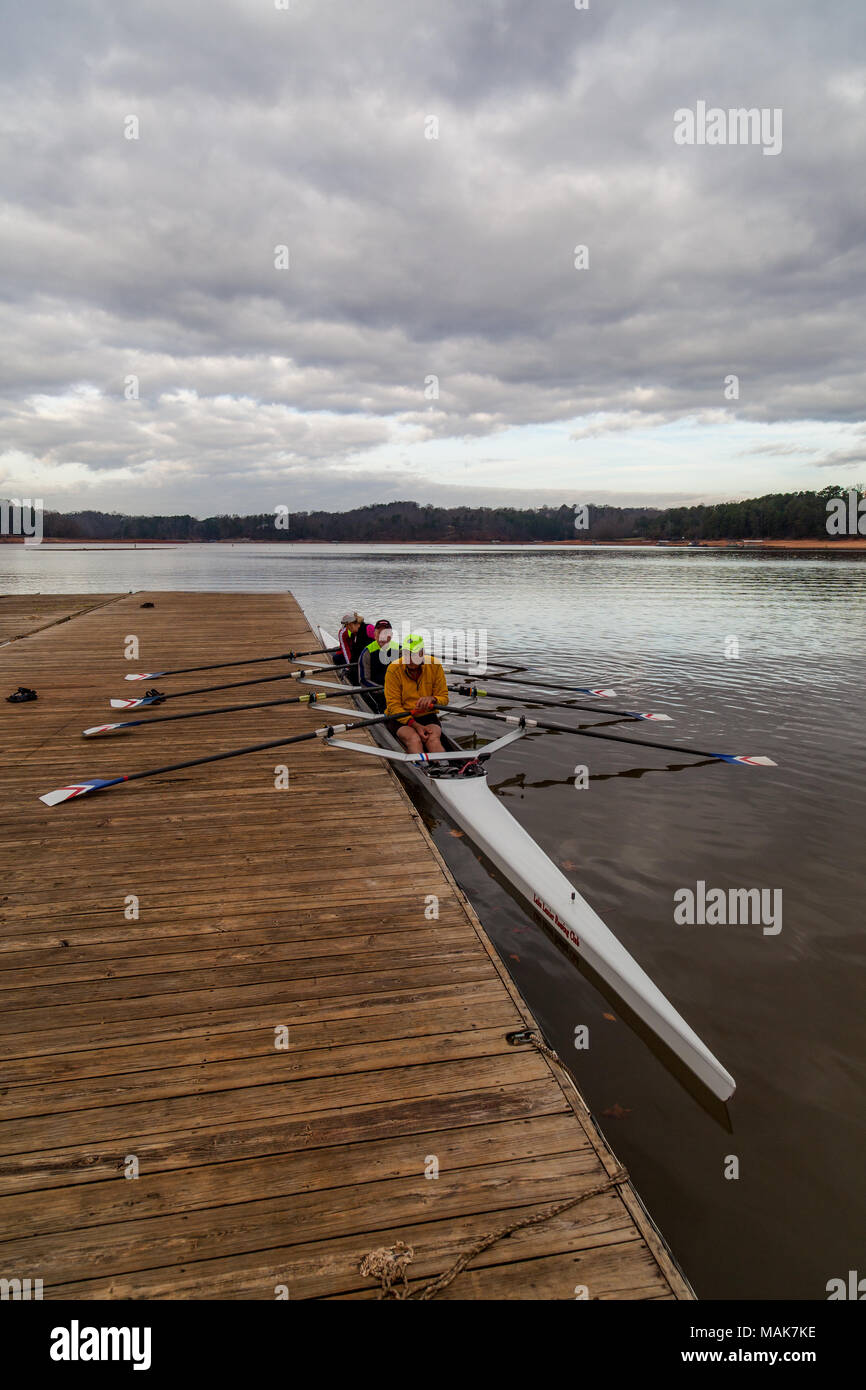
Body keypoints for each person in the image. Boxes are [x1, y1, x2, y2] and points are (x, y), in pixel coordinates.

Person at [384, 633, 448, 754]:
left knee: (432, 739)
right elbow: (393, 706)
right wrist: (416, 726)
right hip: (399, 717)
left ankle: (444, 767)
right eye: (406, 654)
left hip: (427, 715)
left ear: (422, 653)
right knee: (414, 739)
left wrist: (433, 699)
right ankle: (421, 768)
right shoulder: (393, 669)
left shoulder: (435, 665)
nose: (409, 659)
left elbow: (444, 698)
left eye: (413, 654)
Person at [358, 619, 399, 711]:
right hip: (376, 691)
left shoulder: (399, 650)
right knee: (383, 707)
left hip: (396, 691)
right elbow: (364, 680)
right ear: (374, 635)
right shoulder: (367, 652)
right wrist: (383, 690)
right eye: (379, 632)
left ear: (391, 635)